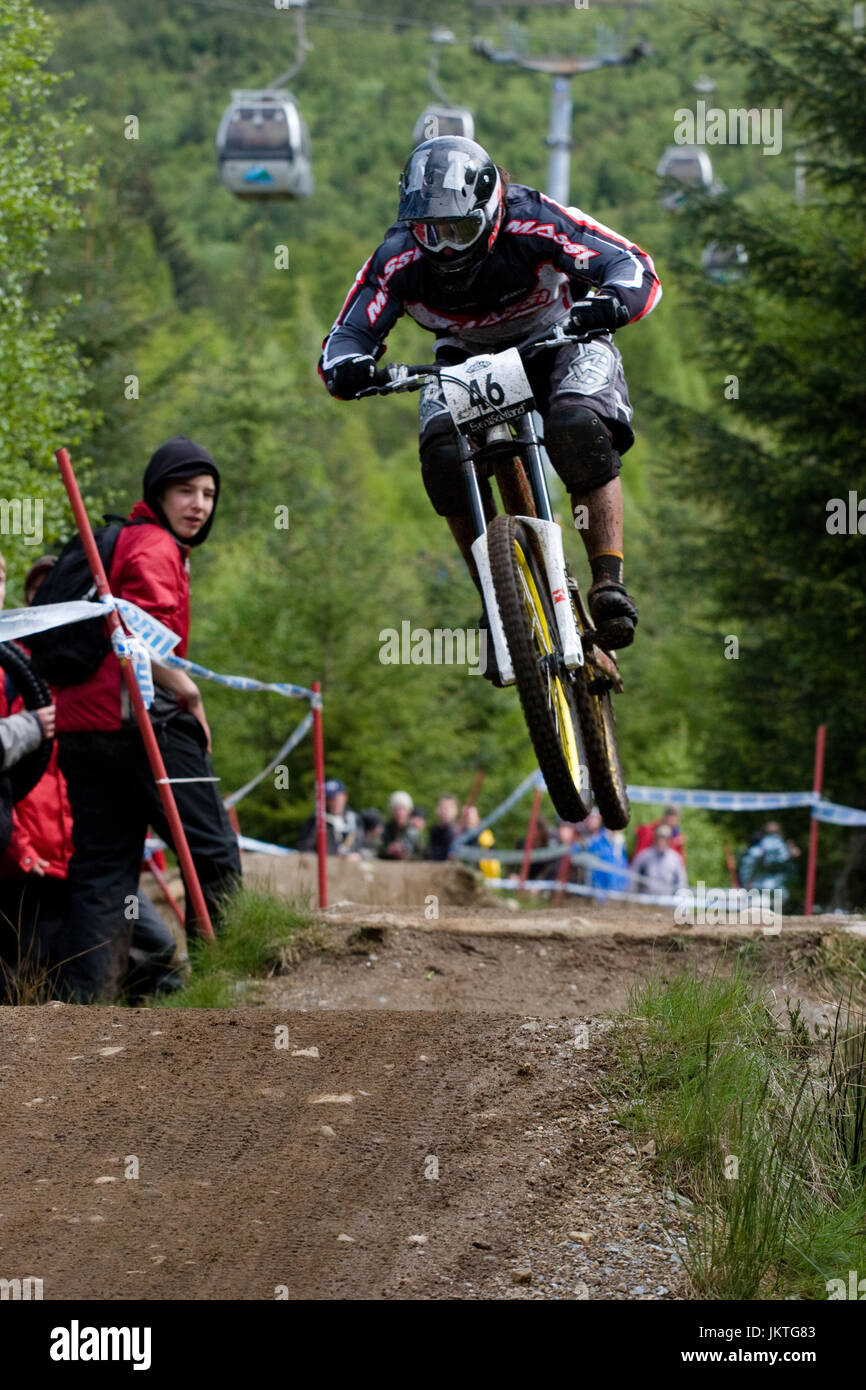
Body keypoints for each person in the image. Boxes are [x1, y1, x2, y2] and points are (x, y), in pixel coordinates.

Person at [319, 136, 661, 672]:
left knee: (576, 426)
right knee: (442, 455)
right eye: (432, 232)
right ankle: (498, 597)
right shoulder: (398, 257)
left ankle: (608, 581)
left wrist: (610, 302)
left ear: (492, 209)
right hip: (463, 360)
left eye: (460, 229)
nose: (447, 248)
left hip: (557, 339)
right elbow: (345, 337)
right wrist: (350, 368)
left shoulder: (534, 219)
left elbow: (632, 265)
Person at [54, 437, 242, 1003]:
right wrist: (190, 693)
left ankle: (80, 1008)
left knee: (102, 874)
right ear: (157, 494)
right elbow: (140, 639)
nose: (200, 504)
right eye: (186, 491)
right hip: (142, 722)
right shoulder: (155, 547)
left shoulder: (120, 540)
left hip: (82, 729)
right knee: (212, 852)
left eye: (209, 494)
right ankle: (225, 987)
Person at [738, 821, 800, 907]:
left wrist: (792, 857)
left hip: (778, 889)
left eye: (776, 833)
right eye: (769, 834)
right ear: (763, 835)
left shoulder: (786, 851)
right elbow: (746, 870)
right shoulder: (756, 852)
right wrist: (748, 883)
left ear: (781, 834)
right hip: (758, 888)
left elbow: (792, 876)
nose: (773, 838)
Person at [295, 778, 362, 856]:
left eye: (336, 797)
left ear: (345, 797)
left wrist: (359, 855)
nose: (333, 802)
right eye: (329, 799)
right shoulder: (315, 821)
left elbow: (364, 845)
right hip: (327, 864)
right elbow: (305, 848)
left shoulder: (355, 819)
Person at [631, 823, 688, 897]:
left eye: (665, 839)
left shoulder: (675, 858)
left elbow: (681, 882)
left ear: (669, 840)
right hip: (646, 902)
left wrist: (680, 899)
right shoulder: (644, 856)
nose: (662, 842)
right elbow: (633, 877)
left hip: (666, 902)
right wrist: (632, 897)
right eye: (660, 838)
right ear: (655, 839)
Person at [379, 790, 421, 860]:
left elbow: (423, 855)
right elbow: (376, 849)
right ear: (391, 810)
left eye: (402, 809)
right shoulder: (383, 830)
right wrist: (388, 851)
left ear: (408, 811)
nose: (399, 813)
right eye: (396, 809)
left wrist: (407, 855)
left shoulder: (414, 833)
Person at [428, 793, 460, 861]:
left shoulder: (459, 834)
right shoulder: (434, 832)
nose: (445, 810)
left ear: (456, 811)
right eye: (442, 807)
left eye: (449, 807)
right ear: (437, 810)